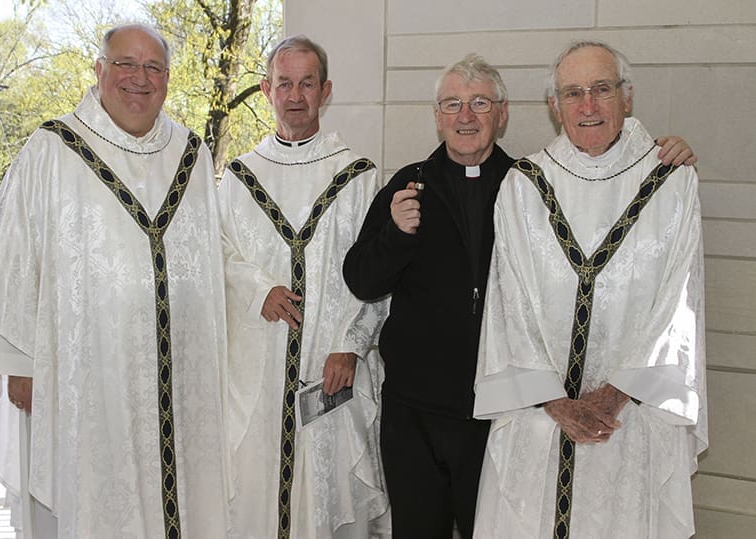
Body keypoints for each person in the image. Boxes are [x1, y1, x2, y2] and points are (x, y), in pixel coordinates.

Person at [343, 52, 697, 538]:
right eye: (452, 104)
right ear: (437, 116)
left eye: (480, 103)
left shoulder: (528, 182)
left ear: (503, 114)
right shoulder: (407, 186)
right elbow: (362, 282)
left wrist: (666, 147)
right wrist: (397, 236)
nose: (465, 117)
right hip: (415, 408)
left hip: (494, 410)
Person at [0, 24, 230, 538]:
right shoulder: (54, 147)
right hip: (83, 374)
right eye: (125, 64)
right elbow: (16, 255)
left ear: (168, 80)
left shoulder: (191, 154)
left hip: (178, 375)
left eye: (153, 67)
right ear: (99, 71)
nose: (139, 78)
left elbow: (212, 257)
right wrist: (18, 362)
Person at [471, 40, 707, 538]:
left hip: (629, 418)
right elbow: (507, 299)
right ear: (554, 106)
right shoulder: (524, 185)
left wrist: (617, 392)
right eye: (573, 93)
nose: (588, 106)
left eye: (602, 89)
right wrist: (554, 401)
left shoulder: (669, 179)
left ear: (627, 97)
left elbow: (679, 299)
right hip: (541, 419)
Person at [217, 35, 388, 539]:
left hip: (330, 368)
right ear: (267, 90)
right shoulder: (239, 177)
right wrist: (258, 289)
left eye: (307, 83)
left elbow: (379, 271)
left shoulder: (357, 175)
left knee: (330, 494)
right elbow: (218, 254)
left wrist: (352, 347)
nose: (295, 95)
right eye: (284, 83)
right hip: (261, 367)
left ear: (325, 90)